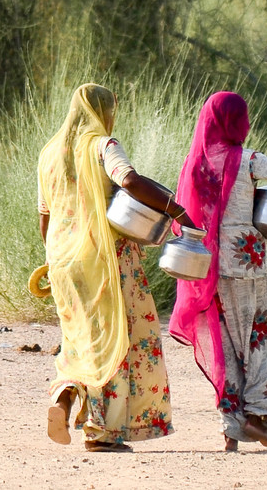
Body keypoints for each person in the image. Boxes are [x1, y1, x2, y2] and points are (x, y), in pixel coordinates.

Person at [32, 83, 193, 452]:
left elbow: (45, 215)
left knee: (80, 340)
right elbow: (130, 180)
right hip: (108, 263)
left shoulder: (49, 153)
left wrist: (55, 256)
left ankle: (63, 398)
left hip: (63, 262)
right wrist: (175, 209)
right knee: (115, 338)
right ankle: (102, 433)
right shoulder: (103, 145)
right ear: (104, 113)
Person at [168, 91, 267, 452]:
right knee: (263, 338)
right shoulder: (249, 159)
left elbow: (186, 214)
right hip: (248, 264)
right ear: (239, 121)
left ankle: (231, 429)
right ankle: (256, 414)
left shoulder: (193, 162)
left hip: (209, 267)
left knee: (225, 345)